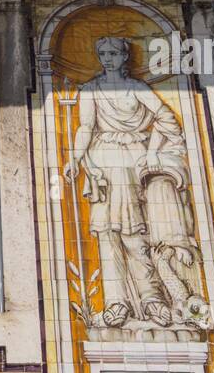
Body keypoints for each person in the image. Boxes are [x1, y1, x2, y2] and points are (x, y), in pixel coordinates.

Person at [64, 35, 204, 330]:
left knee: (134, 233)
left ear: (124, 56)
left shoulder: (137, 88)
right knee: (106, 234)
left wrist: (152, 151)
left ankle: (152, 298)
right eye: (102, 53)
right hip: (102, 161)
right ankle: (116, 303)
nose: (107, 58)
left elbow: (166, 117)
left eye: (113, 52)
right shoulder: (91, 89)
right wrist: (75, 160)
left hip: (132, 160)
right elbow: (85, 127)